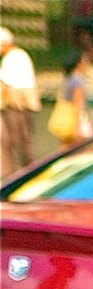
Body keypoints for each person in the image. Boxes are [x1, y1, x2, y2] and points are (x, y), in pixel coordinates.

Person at [0, 27, 38, 177]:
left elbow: (7, 84)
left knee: (21, 143)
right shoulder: (13, 57)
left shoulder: (15, 57)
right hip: (13, 106)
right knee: (8, 142)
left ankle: (29, 174)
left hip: (17, 107)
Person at [50, 54, 90, 148]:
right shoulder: (78, 81)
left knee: (65, 147)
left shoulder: (68, 79)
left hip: (65, 119)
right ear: (79, 64)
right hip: (75, 119)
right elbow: (78, 104)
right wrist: (77, 127)